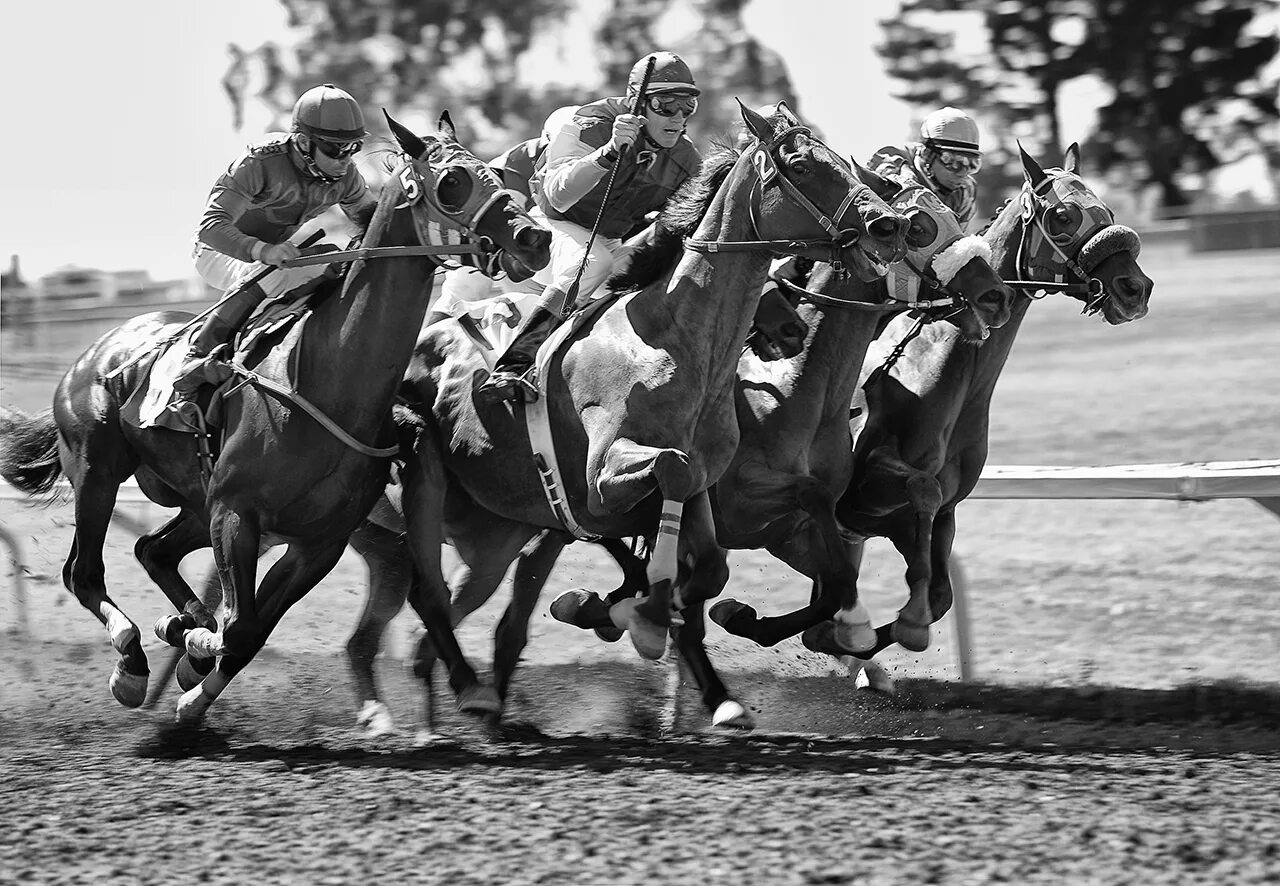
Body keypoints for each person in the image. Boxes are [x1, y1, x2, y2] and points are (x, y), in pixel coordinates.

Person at [475, 51, 703, 405]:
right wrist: (610, 151)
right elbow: (557, 195)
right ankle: (514, 363)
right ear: (636, 104)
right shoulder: (590, 122)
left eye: (687, 107)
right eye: (666, 105)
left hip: (608, 243)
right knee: (594, 261)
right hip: (547, 228)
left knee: (660, 277)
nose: (678, 117)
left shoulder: (686, 158)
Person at [173, 83, 378, 402]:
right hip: (218, 251)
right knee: (276, 269)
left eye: (353, 148)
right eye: (335, 149)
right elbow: (210, 228)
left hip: (269, 257)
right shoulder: (260, 161)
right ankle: (196, 357)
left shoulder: (346, 177)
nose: (345, 159)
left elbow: (374, 223)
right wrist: (263, 250)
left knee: (336, 259)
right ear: (302, 142)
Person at [868, 106, 982, 232]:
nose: (963, 173)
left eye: (972, 163)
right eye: (954, 162)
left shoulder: (965, 191)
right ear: (927, 154)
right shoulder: (891, 166)